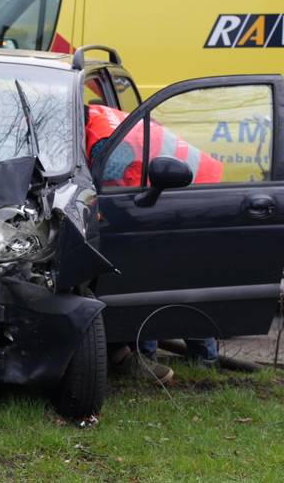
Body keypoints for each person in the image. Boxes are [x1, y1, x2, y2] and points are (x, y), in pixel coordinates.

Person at [85, 102, 221, 381]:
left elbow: (111, 190)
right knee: (160, 280)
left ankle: (192, 362)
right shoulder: (96, 115)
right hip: (181, 187)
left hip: (187, 191)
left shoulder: (101, 141)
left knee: (160, 280)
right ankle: (175, 359)